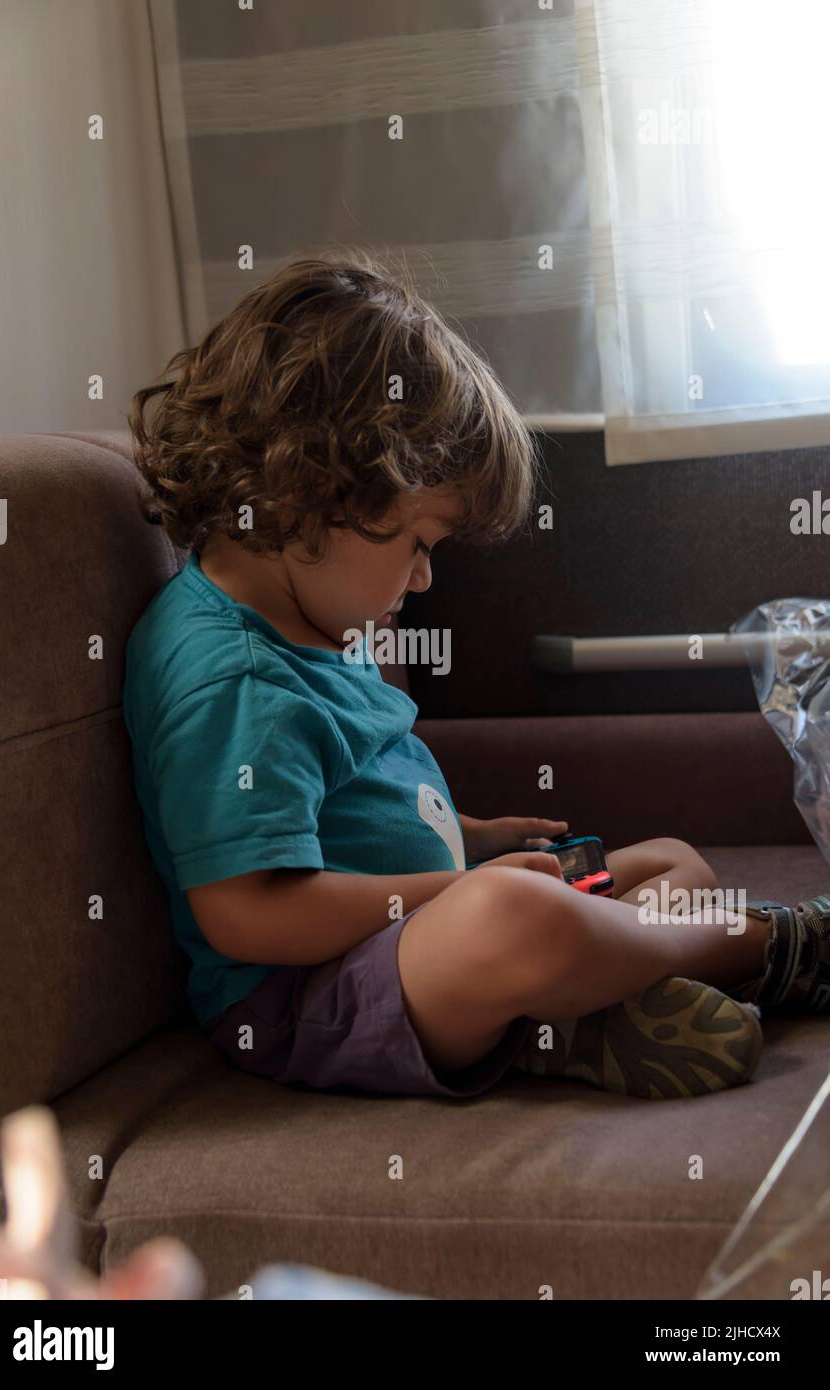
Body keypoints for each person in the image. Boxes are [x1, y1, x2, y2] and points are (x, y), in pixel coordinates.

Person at [122, 249, 830, 1105]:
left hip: (438, 923)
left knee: (669, 863)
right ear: (312, 491)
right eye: (418, 544)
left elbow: (351, 796)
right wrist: (461, 885)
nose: (422, 580)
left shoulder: (310, 619)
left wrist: (474, 835)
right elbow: (248, 913)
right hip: (318, 992)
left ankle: (577, 1008)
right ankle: (765, 949)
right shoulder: (233, 677)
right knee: (514, 918)